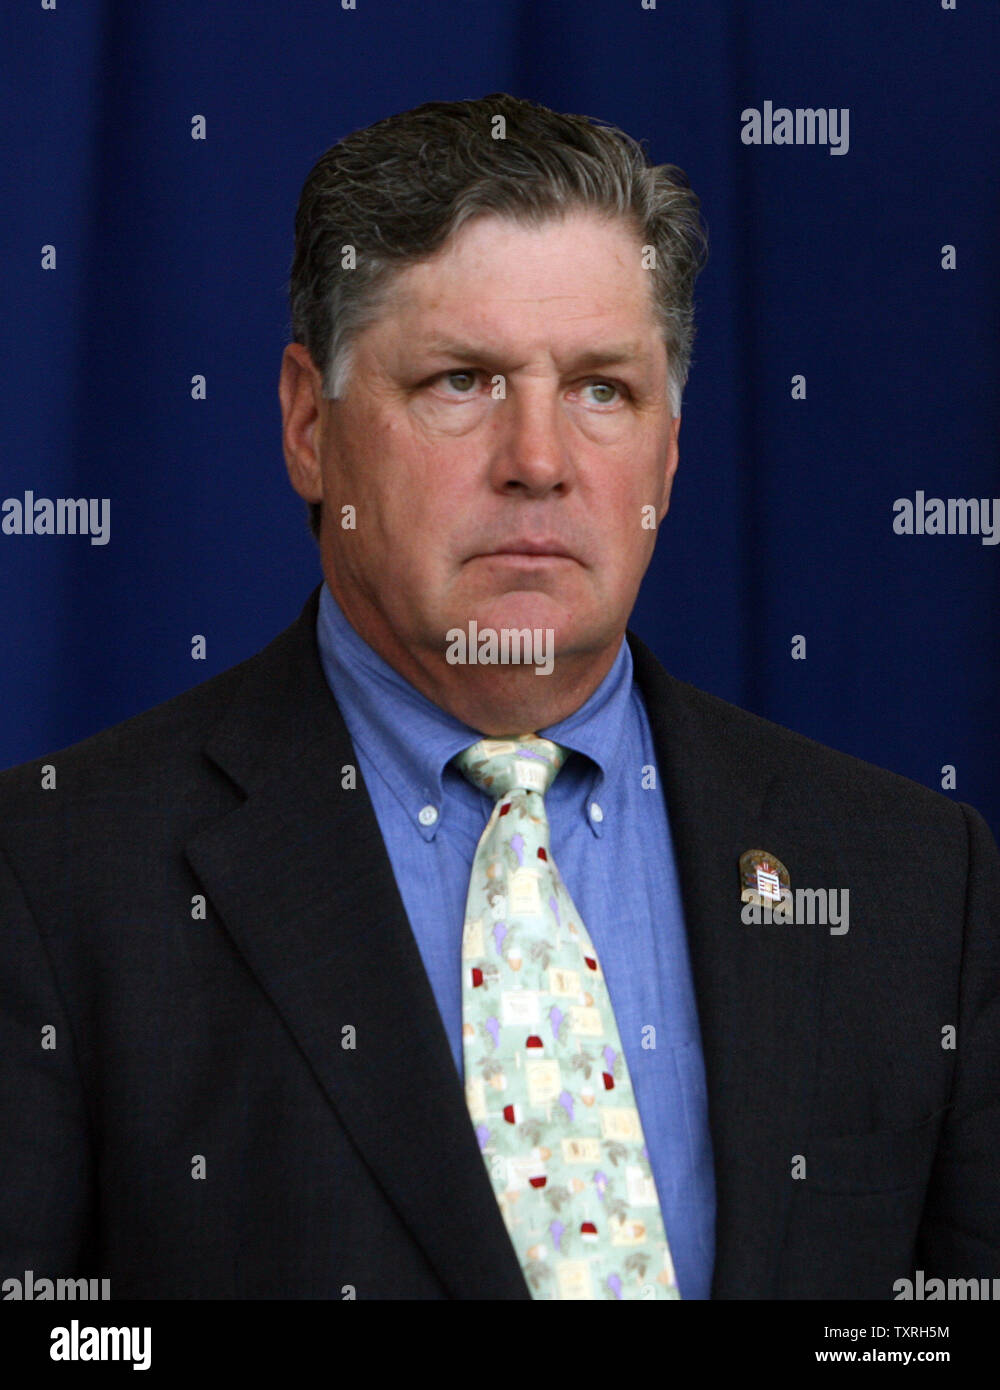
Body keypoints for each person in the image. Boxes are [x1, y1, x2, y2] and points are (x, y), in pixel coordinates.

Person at [1, 93, 997, 1301]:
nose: (538, 458)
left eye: (599, 390)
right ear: (310, 426)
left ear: (669, 451)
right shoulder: (51, 876)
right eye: (462, 380)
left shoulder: (912, 879)